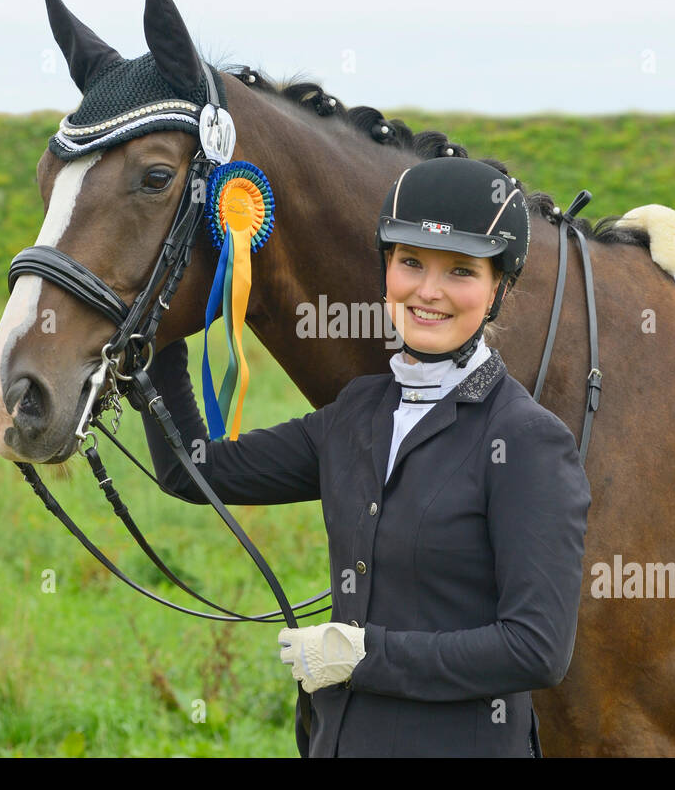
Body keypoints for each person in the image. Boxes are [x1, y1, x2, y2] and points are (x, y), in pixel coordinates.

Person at [139, 157, 591, 757]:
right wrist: (155, 329)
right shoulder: (358, 412)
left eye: (460, 271)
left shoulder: (530, 443)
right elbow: (196, 469)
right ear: (385, 270)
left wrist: (361, 654)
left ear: (498, 288)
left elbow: (536, 648)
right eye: (410, 263)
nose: (428, 291)